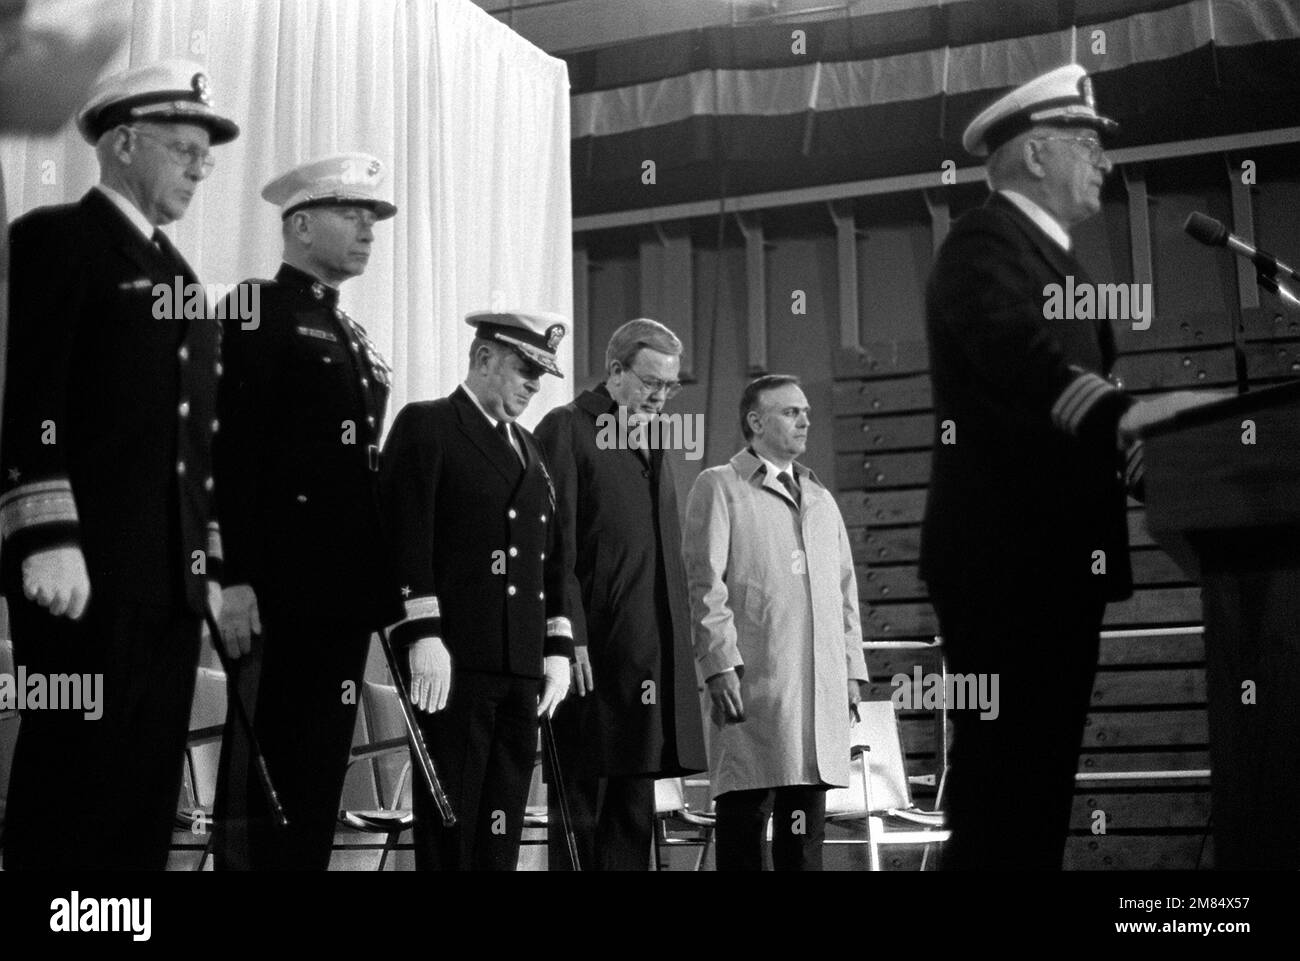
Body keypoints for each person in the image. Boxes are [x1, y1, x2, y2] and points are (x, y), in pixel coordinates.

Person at [922, 63, 1216, 870]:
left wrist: (1175, 467)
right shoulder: (982, 245)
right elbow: (1021, 361)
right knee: (1004, 793)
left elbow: (1078, 409)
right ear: (1036, 154)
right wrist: (1125, 418)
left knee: (1036, 790)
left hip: (1049, 560)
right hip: (1004, 563)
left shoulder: (1059, 264)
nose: (1106, 161)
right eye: (1087, 143)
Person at [0, 59, 238, 870]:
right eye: (183, 148)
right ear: (125, 143)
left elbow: (192, 447)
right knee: (74, 783)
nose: (201, 167)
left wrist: (208, 567)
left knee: (141, 798)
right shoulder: (55, 240)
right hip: (83, 572)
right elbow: (28, 391)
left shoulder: (181, 280)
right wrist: (45, 533)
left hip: (165, 581)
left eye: (206, 154)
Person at [210, 154, 404, 870]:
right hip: (273, 588)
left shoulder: (351, 337)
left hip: (339, 595)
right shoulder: (257, 309)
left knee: (318, 774)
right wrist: (231, 572)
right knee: (261, 777)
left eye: (372, 219)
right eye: (351, 215)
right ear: (299, 223)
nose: (367, 230)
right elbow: (227, 447)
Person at [379, 311, 574, 870]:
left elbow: (553, 561)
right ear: (485, 358)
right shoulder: (430, 425)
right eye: (524, 369)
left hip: (520, 668)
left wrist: (557, 648)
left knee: (501, 830)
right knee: (453, 824)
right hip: (456, 662)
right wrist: (424, 633)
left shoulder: (531, 452)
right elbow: (407, 536)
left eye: (541, 376)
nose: (535, 386)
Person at [534, 318, 707, 871]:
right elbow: (550, 544)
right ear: (614, 371)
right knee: (584, 814)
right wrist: (568, 636)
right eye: (652, 382)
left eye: (670, 387)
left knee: (632, 814)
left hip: (646, 659)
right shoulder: (566, 427)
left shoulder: (655, 441)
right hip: (592, 658)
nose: (661, 397)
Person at [683, 375, 869, 871]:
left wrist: (851, 672)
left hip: (815, 695)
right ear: (755, 421)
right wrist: (719, 664)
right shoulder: (720, 485)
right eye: (790, 411)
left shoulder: (820, 498)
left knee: (804, 840)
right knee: (745, 827)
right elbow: (705, 584)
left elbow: (845, 592)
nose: (805, 419)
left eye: (805, 411)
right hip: (753, 687)